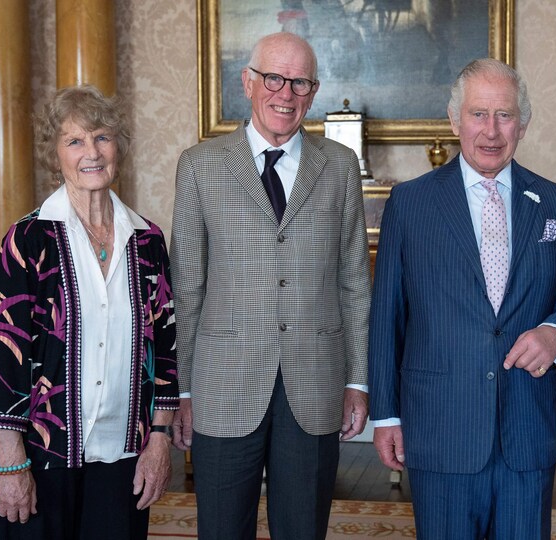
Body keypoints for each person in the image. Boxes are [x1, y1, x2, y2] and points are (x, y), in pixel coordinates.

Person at [368, 58, 556, 539]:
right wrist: (386, 415)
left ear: (524, 124)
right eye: (478, 114)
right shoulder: (410, 203)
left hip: (527, 430)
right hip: (440, 427)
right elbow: (387, 316)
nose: (491, 131)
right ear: (454, 120)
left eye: (505, 115)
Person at [170, 32, 371, 540]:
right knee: (221, 529)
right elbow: (187, 286)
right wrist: (184, 389)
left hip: (316, 383)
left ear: (314, 89)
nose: (286, 93)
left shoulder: (340, 166)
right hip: (222, 385)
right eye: (274, 78)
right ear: (248, 82)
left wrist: (358, 380)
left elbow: (353, 280)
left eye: (300, 82)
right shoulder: (200, 166)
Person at [0, 84, 179, 539]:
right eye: (75, 140)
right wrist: (11, 462)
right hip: (36, 455)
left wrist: (159, 441)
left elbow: (167, 352)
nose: (91, 153)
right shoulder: (28, 240)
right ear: (54, 154)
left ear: (118, 145)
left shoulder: (148, 241)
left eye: (101, 137)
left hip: (122, 455)